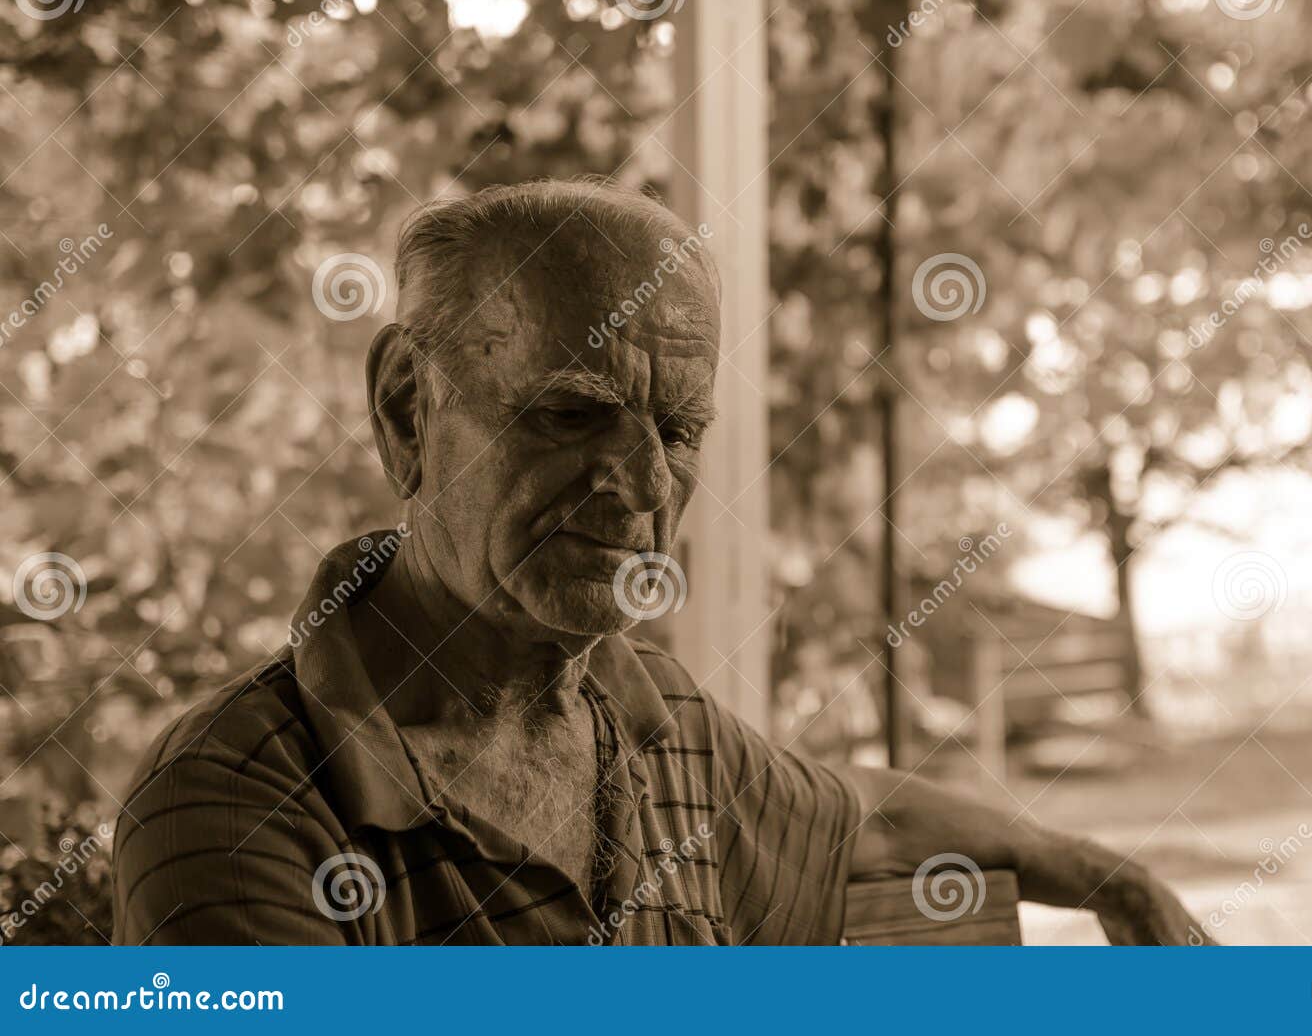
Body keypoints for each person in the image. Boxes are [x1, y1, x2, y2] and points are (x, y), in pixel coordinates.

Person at [112, 180, 1208, 945]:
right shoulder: (236, 803)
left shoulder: (653, 721)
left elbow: (860, 821)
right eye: (570, 415)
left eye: (678, 432)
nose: (642, 486)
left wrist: (1112, 880)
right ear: (407, 409)